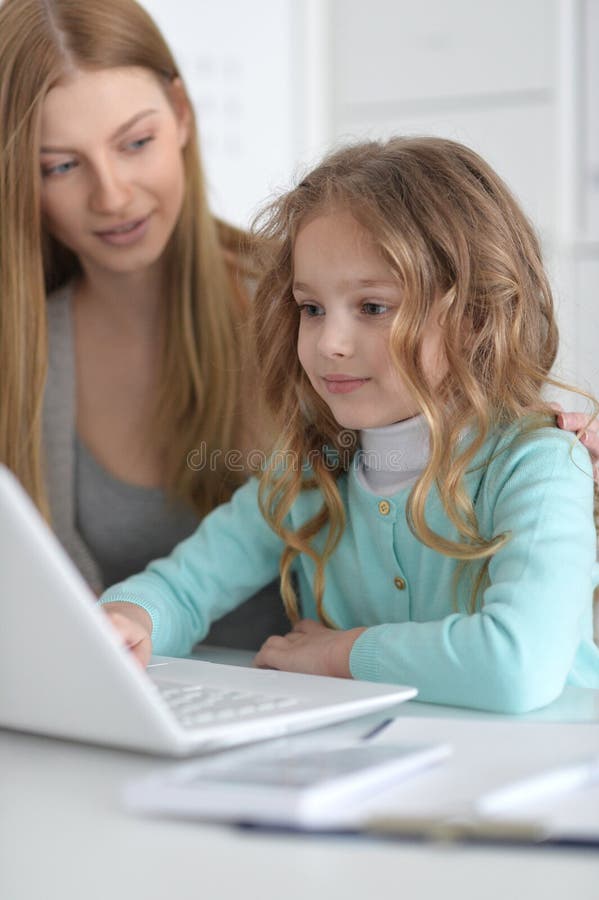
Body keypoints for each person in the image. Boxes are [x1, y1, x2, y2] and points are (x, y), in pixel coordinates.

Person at [100, 136, 599, 713]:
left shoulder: (538, 466)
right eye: (312, 309)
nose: (329, 343)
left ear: (474, 315)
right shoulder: (308, 477)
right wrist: (126, 622)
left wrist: (339, 654)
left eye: (372, 307)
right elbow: (183, 587)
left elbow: (517, 665)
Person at [0, 0, 288, 647]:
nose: (112, 196)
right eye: (60, 166)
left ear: (180, 114)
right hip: (111, 702)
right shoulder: (21, 350)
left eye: (135, 143)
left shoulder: (306, 308)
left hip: (315, 695)